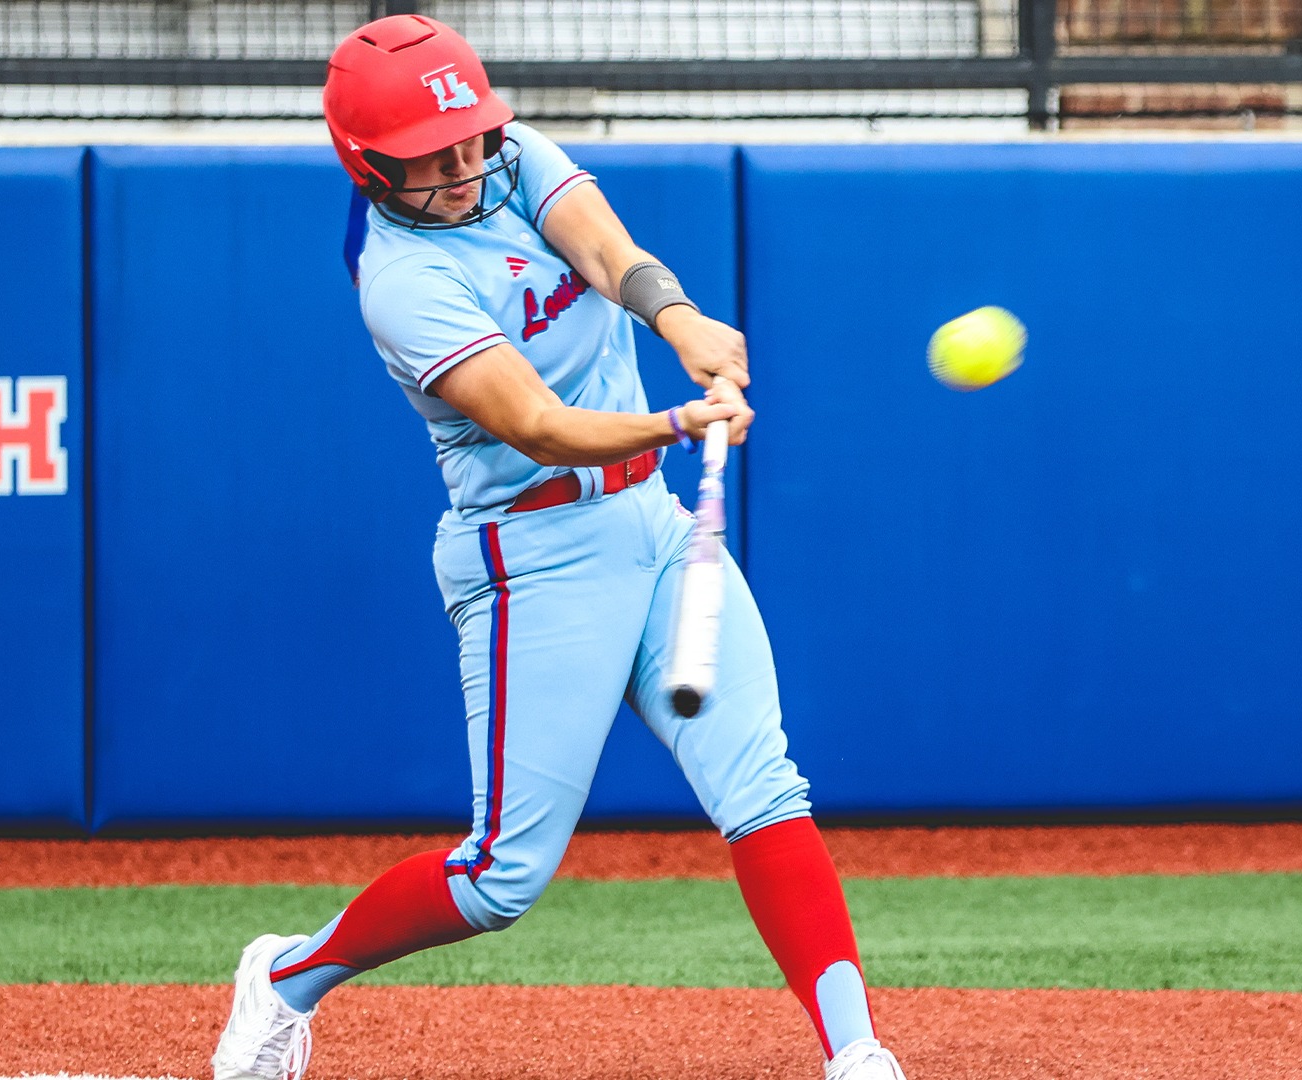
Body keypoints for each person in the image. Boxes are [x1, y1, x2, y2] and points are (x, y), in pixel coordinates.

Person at [210, 15, 908, 1080]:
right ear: (370, 168)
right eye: (431, 162)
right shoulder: (402, 281)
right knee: (500, 879)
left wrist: (677, 320)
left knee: (763, 786)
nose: (462, 169)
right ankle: (289, 977)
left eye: (470, 143)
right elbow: (537, 425)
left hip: (655, 527)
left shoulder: (508, 152)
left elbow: (607, 251)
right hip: (532, 559)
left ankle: (856, 1054)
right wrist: (678, 421)